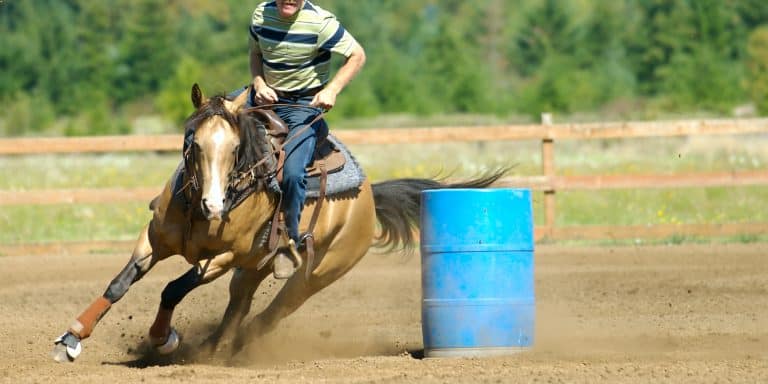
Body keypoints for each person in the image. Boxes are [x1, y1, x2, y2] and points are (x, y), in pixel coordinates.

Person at [245, 0, 366, 279]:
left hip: (301, 107)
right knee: (213, 129)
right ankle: (183, 204)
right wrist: (259, 83)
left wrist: (332, 90)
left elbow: (357, 55)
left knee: (291, 173)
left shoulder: (321, 23)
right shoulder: (261, 14)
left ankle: (289, 242)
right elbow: (255, 53)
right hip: (263, 98)